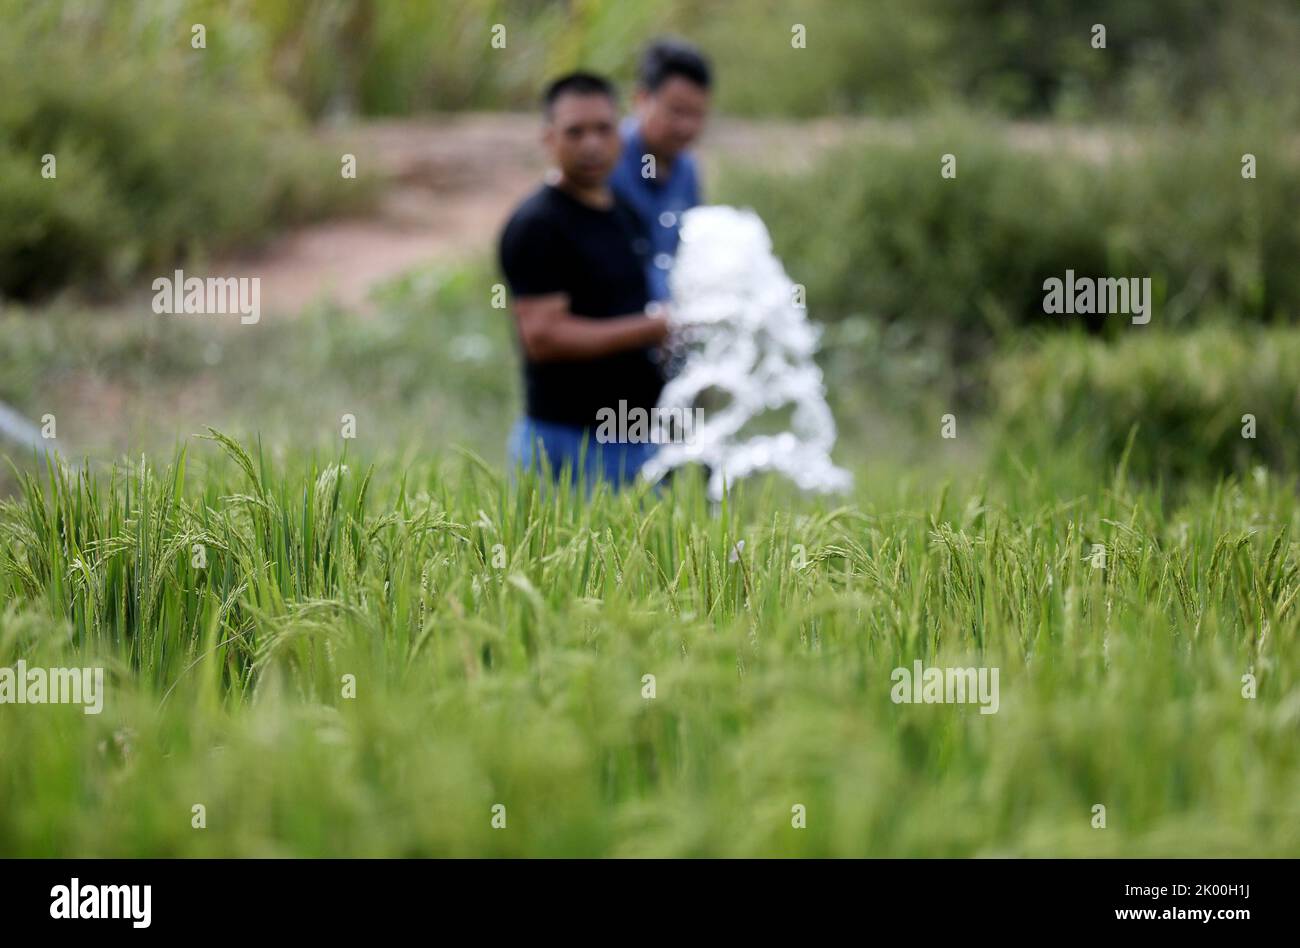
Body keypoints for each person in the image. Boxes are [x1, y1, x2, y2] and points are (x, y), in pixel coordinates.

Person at [498, 72, 671, 488]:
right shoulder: (538, 224)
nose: (591, 144)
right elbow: (543, 337)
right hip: (568, 443)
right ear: (549, 139)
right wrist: (655, 328)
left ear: (621, 136)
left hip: (634, 439)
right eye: (575, 132)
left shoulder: (625, 212)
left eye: (603, 129)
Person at [609, 38, 713, 303]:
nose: (686, 127)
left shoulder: (686, 169)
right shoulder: (606, 164)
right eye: (676, 112)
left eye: (697, 114)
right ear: (642, 99)